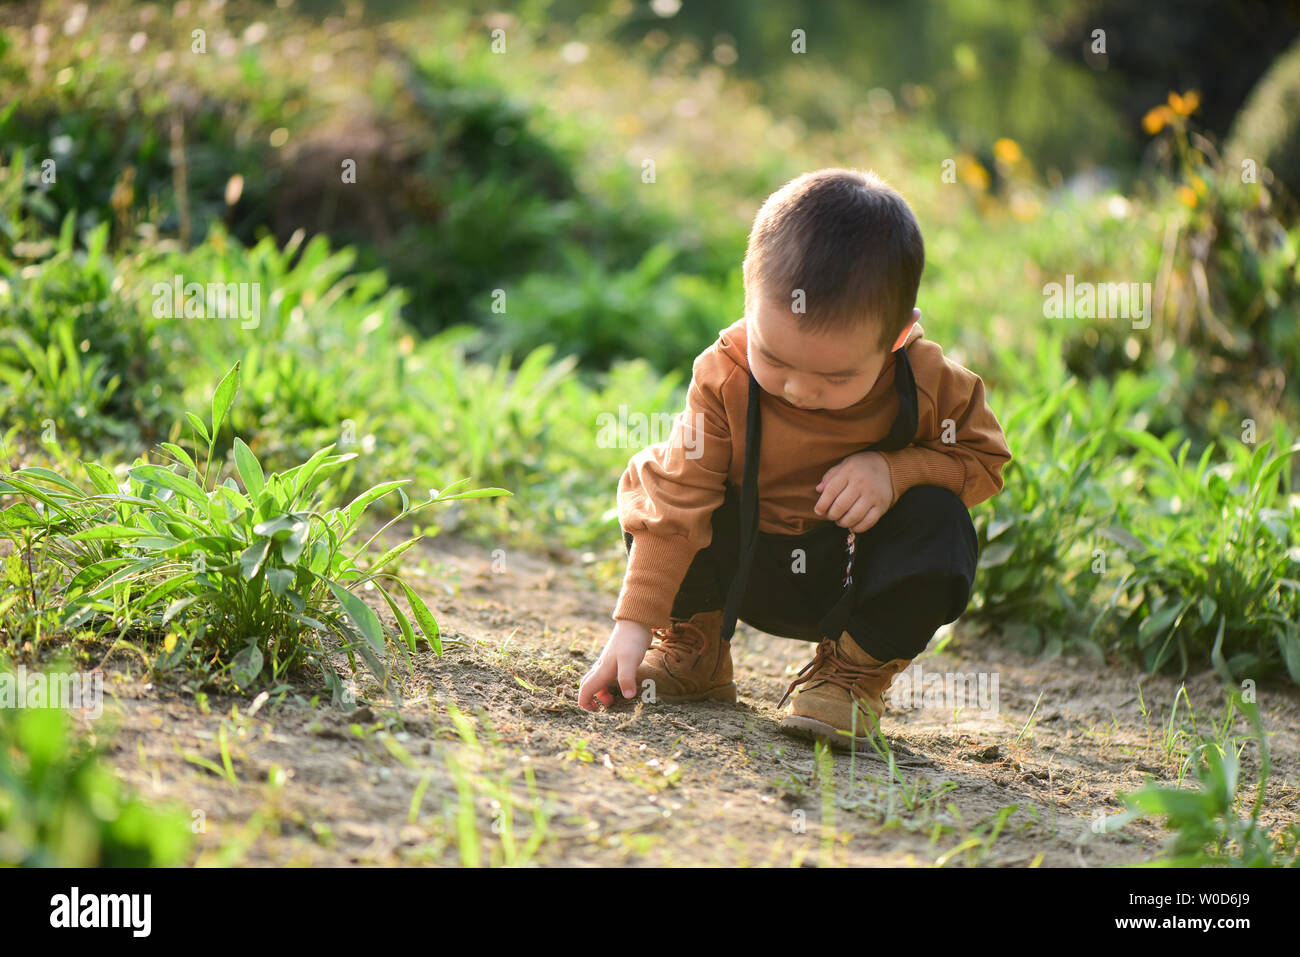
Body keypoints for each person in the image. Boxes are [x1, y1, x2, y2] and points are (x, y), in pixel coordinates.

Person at [577, 167, 1012, 749]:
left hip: (849, 574)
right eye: (775, 358)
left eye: (835, 376)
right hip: (744, 566)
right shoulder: (724, 375)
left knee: (941, 521)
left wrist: (896, 470)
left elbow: (985, 462)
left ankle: (849, 679)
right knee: (658, 478)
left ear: (899, 337)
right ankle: (693, 651)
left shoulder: (932, 384)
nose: (799, 390)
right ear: (748, 296)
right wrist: (630, 632)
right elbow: (678, 498)